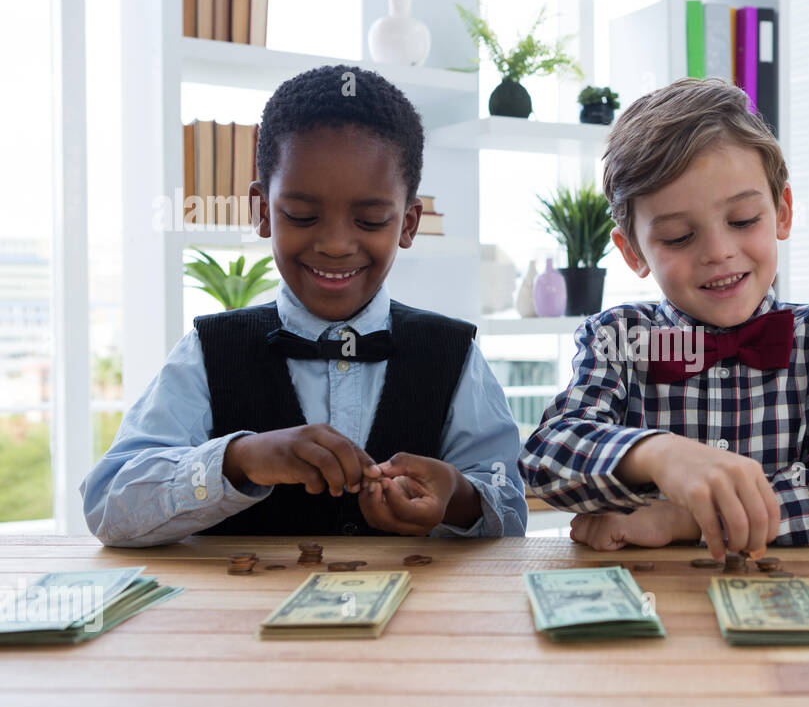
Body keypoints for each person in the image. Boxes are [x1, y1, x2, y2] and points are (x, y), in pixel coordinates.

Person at [82, 65, 526, 546]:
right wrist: (240, 459)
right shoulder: (208, 353)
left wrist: (456, 497)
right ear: (262, 212)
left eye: (371, 220)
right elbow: (108, 505)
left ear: (409, 223)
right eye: (301, 215)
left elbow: (509, 509)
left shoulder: (453, 353)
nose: (335, 244)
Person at [519, 77, 809, 556]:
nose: (718, 252)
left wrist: (688, 518)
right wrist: (655, 454)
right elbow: (547, 459)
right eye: (677, 237)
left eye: (742, 221)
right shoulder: (620, 337)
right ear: (633, 251)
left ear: (782, 211)